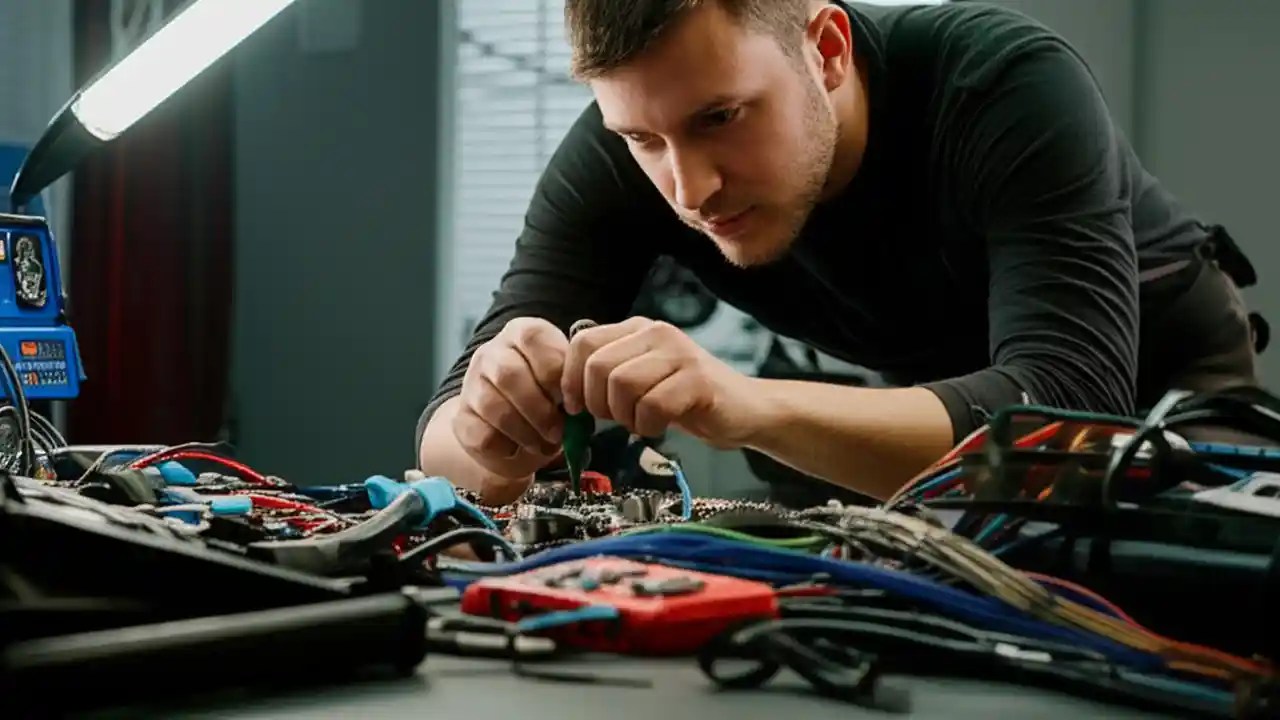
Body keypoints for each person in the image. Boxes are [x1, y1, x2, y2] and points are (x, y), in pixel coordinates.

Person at [417, 0, 1265, 506]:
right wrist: (492, 428)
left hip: (1165, 400)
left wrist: (745, 405)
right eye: (643, 137)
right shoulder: (626, 153)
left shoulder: (1005, 84)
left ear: (825, 50)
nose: (688, 187)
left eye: (721, 118)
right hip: (943, 406)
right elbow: (445, 428)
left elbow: (1072, 418)